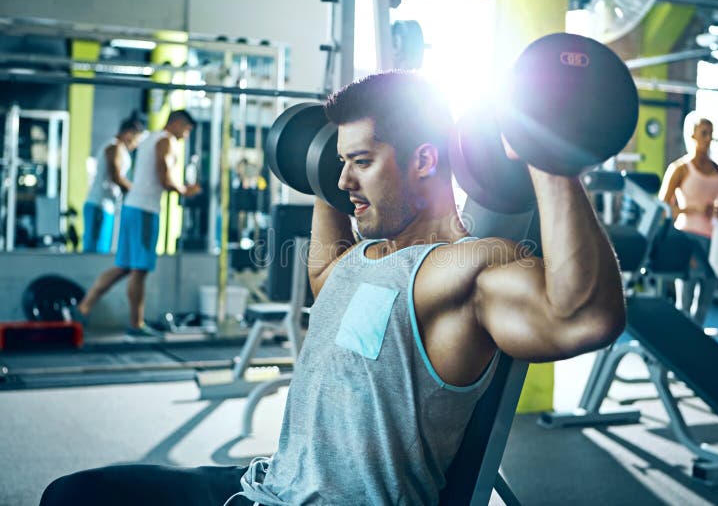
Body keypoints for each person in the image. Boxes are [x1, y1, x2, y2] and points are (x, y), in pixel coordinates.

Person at [41, 73, 625, 505]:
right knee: (73, 496)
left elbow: (583, 318)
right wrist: (322, 173)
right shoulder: (360, 258)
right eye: (340, 161)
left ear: (424, 160)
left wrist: (552, 160)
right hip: (269, 484)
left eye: (362, 161)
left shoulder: (468, 266)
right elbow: (327, 282)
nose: (346, 180)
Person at [75, 110, 201, 339]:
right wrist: (185, 190)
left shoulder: (149, 138)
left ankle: (84, 308)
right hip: (145, 210)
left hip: (131, 207)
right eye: (187, 129)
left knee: (123, 266)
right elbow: (164, 178)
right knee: (139, 270)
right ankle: (136, 324)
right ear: (178, 123)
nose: (186, 134)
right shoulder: (166, 141)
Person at [658, 114, 718, 325]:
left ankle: (695, 339)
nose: (708, 138)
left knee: (707, 294)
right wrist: (690, 209)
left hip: (714, 240)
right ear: (692, 135)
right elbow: (662, 209)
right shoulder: (680, 169)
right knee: (686, 297)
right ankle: (681, 340)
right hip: (687, 238)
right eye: (704, 133)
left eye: (711, 134)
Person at [82, 112, 145, 253]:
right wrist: (137, 191)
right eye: (136, 140)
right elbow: (116, 177)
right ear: (129, 134)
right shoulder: (114, 147)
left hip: (107, 206)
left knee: (102, 250)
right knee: (94, 252)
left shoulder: (120, 149)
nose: (136, 145)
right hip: (99, 205)